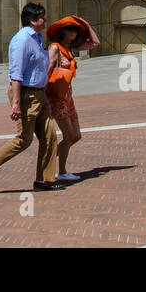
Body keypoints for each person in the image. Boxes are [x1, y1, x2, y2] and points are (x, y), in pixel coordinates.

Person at [0, 3, 59, 193]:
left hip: (40, 94)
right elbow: (16, 74)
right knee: (24, 139)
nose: (45, 20)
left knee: (49, 136)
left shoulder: (37, 38)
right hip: (26, 94)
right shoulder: (22, 40)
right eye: (41, 17)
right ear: (32, 21)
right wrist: (16, 103)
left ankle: (44, 180)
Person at [45, 16, 99, 182]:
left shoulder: (70, 50)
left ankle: (49, 163)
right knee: (68, 135)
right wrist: (43, 94)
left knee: (76, 135)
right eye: (70, 29)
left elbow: (95, 43)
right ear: (63, 32)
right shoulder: (55, 48)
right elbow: (47, 69)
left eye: (76, 30)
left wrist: (86, 24)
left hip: (67, 97)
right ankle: (57, 169)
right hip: (57, 98)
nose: (74, 33)